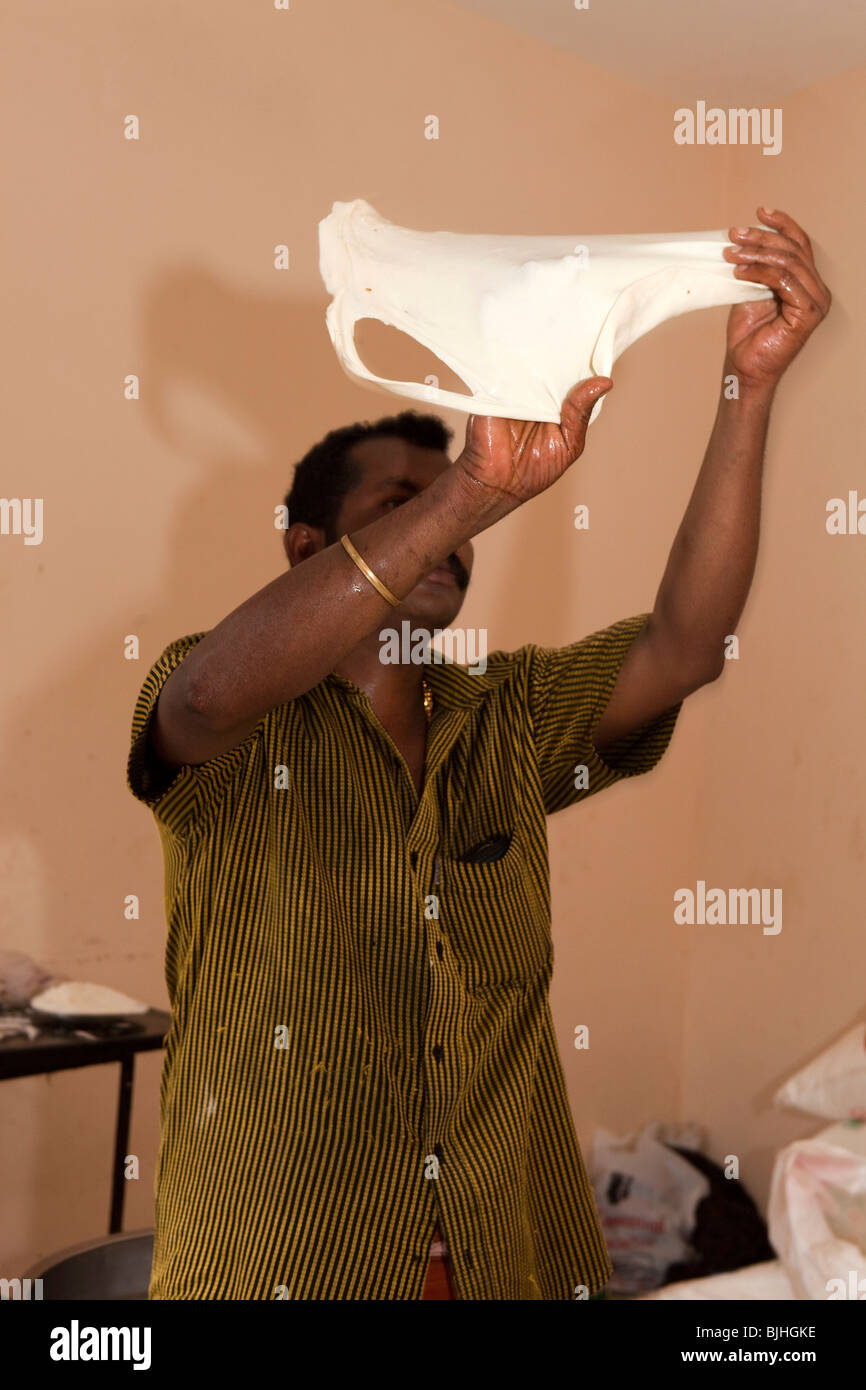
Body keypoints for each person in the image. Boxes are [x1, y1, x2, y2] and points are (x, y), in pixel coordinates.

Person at [127, 208, 829, 1299]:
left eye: (452, 511)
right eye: (401, 506)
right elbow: (206, 694)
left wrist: (748, 382)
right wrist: (477, 485)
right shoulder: (237, 716)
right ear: (307, 548)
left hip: (519, 1261)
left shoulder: (508, 716)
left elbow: (684, 646)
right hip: (284, 1269)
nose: (449, 533)